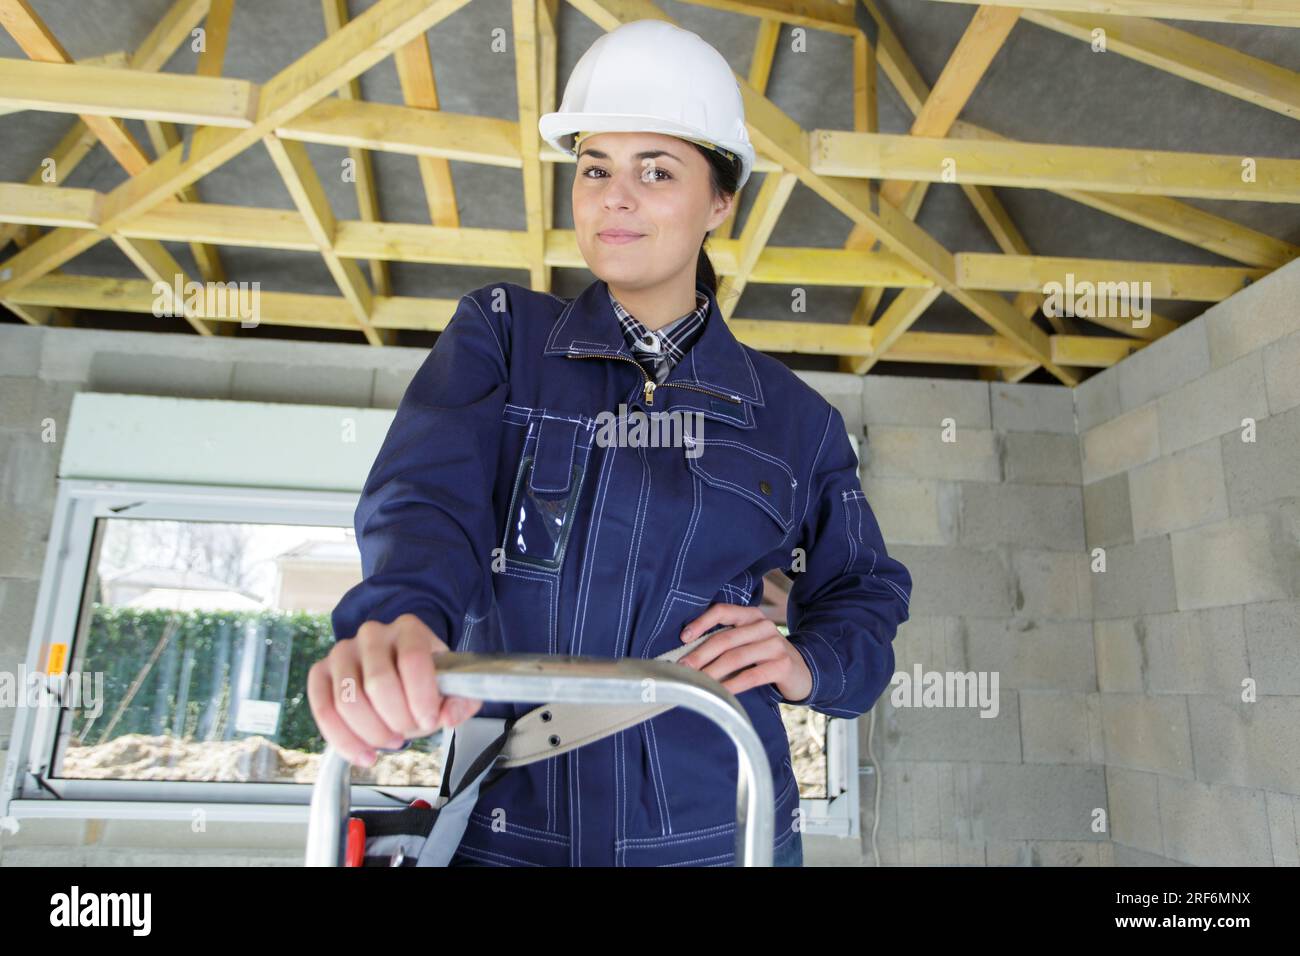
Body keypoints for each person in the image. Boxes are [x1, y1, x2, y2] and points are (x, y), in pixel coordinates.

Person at [308, 18, 911, 868]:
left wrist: (807, 661)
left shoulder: (796, 420)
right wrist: (400, 619)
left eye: (655, 170)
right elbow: (426, 502)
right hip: (506, 836)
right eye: (595, 168)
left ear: (721, 202)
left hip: (719, 840)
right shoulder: (504, 337)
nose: (614, 197)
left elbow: (865, 590)